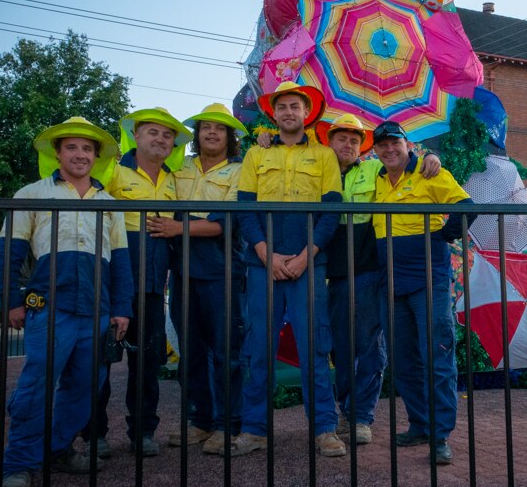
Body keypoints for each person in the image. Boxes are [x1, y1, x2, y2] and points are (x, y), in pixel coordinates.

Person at [0, 117, 133, 487]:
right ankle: (19, 464)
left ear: (96, 156)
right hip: (49, 306)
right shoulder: (31, 193)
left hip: (98, 309)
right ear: (57, 153)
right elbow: (9, 252)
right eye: (71, 147)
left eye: (87, 149)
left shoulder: (109, 204)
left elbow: (120, 262)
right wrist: (11, 301)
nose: (80, 154)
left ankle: (56, 449)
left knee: (88, 387)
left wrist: (122, 309)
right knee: (36, 384)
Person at [232, 82, 345, 457]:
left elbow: (330, 214)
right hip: (263, 264)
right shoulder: (255, 154)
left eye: (295, 106)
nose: (288, 112)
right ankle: (254, 429)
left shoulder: (326, 156)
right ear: (273, 113)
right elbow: (246, 209)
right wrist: (266, 254)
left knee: (314, 345)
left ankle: (325, 429)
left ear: (306, 112)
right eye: (282, 107)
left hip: (308, 266)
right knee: (258, 348)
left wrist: (303, 257)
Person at [315, 113, 440, 445]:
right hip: (334, 274)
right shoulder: (316, 170)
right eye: (342, 138)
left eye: (355, 140)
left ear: (362, 146)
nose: (348, 144)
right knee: (341, 349)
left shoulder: (374, 168)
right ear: (330, 141)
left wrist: (429, 156)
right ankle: (346, 411)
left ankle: (361, 417)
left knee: (371, 346)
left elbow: (402, 161)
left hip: (371, 270)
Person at [84, 107, 191, 458]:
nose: (159, 139)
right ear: (137, 136)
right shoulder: (113, 171)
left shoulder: (175, 181)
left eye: (166, 135)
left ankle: (143, 432)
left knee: (146, 362)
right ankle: (93, 434)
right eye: (152, 132)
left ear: (173, 142)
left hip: (152, 283)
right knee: (100, 358)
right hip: (113, 278)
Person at [371, 120, 475, 466]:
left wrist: (444, 237)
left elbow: (467, 205)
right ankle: (421, 425)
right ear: (375, 150)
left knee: (437, 354)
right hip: (390, 279)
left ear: (408, 145)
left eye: (395, 144)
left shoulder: (429, 172)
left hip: (428, 276)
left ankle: (440, 435)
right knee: (402, 360)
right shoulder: (375, 177)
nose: (389, 150)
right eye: (382, 145)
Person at [148, 103, 247, 456]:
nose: (211, 133)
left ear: (229, 136)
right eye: (205, 127)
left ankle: (228, 424)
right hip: (182, 270)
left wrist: (178, 227)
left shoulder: (239, 170)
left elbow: (223, 223)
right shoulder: (180, 166)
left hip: (222, 271)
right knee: (190, 351)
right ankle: (200, 421)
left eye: (219, 129)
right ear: (197, 134)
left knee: (225, 351)